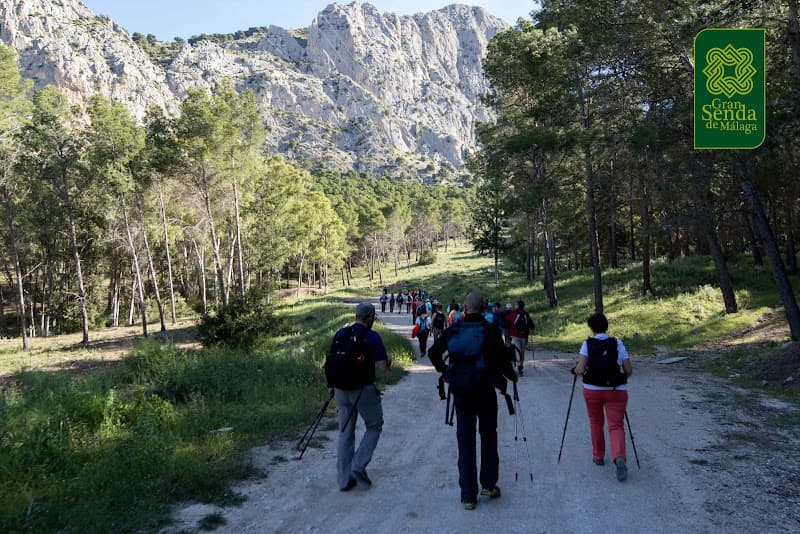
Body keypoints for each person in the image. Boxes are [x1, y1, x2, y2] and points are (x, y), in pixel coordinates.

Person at [427, 292, 517, 510]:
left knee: (465, 439)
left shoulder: (454, 330)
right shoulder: (490, 331)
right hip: (485, 390)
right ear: (483, 307)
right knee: (488, 435)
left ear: (465, 307)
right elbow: (500, 359)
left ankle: (468, 495)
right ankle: (488, 484)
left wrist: (446, 371)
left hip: (461, 391)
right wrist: (510, 376)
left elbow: (433, 353)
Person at [330, 303, 392, 491]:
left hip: (340, 390)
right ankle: (358, 466)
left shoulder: (341, 333)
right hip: (363, 389)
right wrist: (389, 359)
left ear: (356, 315)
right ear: (371, 316)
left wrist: (331, 387)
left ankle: (343, 480)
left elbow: (331, 362)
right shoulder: (372, 337)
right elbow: (382, 368)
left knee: (345, 431)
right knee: (374, 425)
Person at [572, 312, 633, 482]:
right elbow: (628, 370)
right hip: (616, 390)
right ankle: (619, 456)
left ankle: (598, 456)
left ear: (591, 328)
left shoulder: (587, 344)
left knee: (596, 422)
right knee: (616, 425)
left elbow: (580, 368)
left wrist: (576, 370)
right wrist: (620, 380)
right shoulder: (618, 343)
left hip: (592, 389)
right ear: (606, 326)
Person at [507, 300, 534, 376]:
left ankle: (518, 365)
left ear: (518, 306)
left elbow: (506, 322)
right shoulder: (526, 314)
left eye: (516, 305)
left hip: (515, 335)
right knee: (522, 352)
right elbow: (532, 326)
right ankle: (520, 366)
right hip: (524, 336)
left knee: (517, 351)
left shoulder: (513, 314)